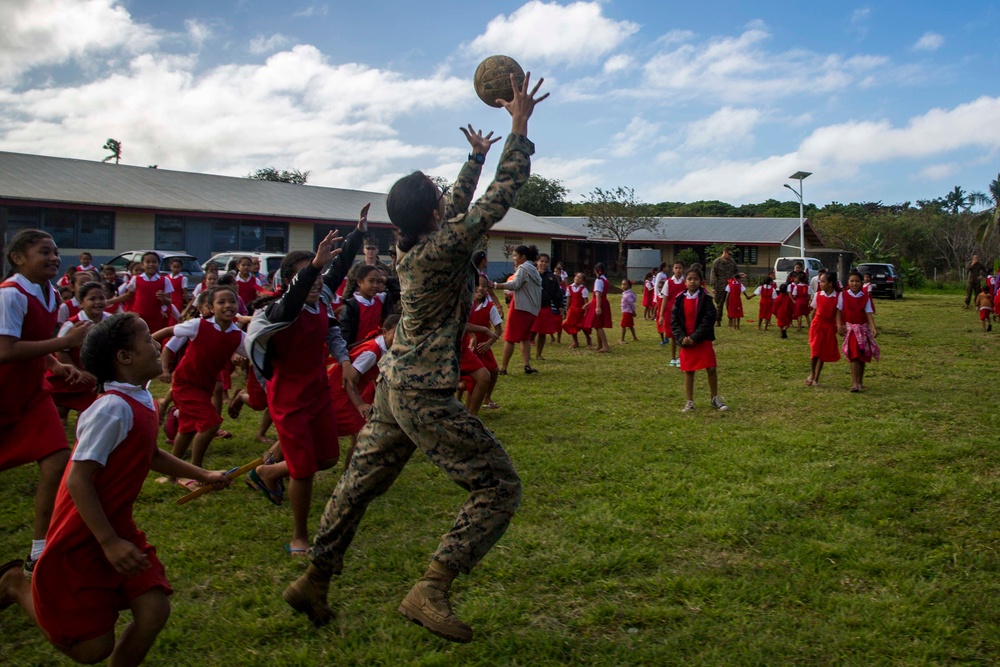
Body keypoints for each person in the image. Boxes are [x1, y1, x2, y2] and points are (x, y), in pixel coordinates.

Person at [283, 76, 544, 643]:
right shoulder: (442, 246)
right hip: (422, 395)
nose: (445, 197)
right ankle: (431, 588)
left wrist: (474, 157)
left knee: (359, 484)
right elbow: (498, 200)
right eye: (437, 194)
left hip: (396, 386)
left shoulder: (415, 240)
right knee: (499, 488)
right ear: (430, 214)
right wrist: (518, 128)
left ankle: (314, 578)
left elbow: (456, 203)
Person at [0, 312, 230, 666]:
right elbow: (78, 479)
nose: (157, 345)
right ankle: (16, 584)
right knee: (93, 650)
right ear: (124, 358)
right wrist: (108, 543)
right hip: (84, 537)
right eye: (146, 340)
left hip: (116, 527)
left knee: (154, 611)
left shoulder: (141, 400)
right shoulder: (111, 409)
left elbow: (150, 454)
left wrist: (204, 475)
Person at [244, 217, 363, 551]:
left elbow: (337, 272)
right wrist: (312, 267)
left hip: (318, 391)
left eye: (317, 273)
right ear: (289, 282)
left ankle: (268, 474)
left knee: (326, 458)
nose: (316, 279)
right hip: (289, 397)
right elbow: (295, 297)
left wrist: (358, 234)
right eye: (309, 273)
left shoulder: (320, 301)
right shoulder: (280, 311)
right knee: (304, 469)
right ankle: (299, 537)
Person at [0, 230, 91, 575]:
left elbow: (36, 340)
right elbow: (5, 350)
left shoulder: (50, 294)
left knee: (57, 461)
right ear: (18, 259)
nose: (54, 257)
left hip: (31, 395)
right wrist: (63, 342)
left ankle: (39, 550)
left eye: (55, 251)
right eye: (44, 252)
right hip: (4, 393)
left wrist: (55, 363)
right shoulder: (10, 295)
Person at [159, 285, 245, 481]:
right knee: (211, 424)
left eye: (232, 301)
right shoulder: (198, 325)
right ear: (211, 308)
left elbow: (257, 354)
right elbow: (168, 331)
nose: (228, 305)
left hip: (204, 387)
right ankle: (198, 472)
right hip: (184, 383)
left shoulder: (238, 335)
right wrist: (151, 346)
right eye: (221, 302)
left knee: (187, 429)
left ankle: (172, 474)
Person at [46, 281, 109, 421]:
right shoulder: (72, 324)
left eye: (102, 298)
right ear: (81, 303)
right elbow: (61, 351)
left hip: (94, 375)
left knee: (90, 407)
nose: (98, 302)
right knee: (60, 408)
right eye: (92, 299)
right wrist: (78, 371)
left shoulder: (111, 320)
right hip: (70, 372)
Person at [671, 267, 727, 412]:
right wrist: (682, 338)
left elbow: (708, 320)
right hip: (686, 340)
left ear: (701, 282)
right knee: (689, 371)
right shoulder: (679, 299)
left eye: (695, 279)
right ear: (685, 282)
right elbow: (674, 321)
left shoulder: (706, 299)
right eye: (689, 279)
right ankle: (689, 402)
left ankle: (715, 398)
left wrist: (695, 338)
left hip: (702, 340)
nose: (692, 282)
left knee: (711, 368)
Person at [495, 244, 542, 374]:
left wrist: (494, 285)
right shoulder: (534, 269)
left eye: (515, 256)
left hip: (520, 308)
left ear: (523, 257)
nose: (514, 258)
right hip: (532, 310)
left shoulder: (523, 268)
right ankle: (527, 365)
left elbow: (514, 285)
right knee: (525, 338)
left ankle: (503, 368)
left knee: (510, 338)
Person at [840, 270, 880, 391]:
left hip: (863, 330)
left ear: (862, 283)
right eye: (852, 281)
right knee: (854, 356)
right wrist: (839, 325)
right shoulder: (843, 295)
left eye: (857, 281)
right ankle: (854, 383)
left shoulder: (865, 297)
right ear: (848, 282)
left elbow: (868, 313)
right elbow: (838, 310)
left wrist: (873, 327)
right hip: (851, 330)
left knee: (862, 357)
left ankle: (860, 381)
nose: (854, 283)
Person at [469, 275, 503, 409]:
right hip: (468, 346)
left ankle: (487, 397)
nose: (480, 288)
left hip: (483, 346)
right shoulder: (466, 304)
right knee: (468, 379)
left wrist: (489, 343)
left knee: (494, 371)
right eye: (477, 285)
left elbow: (499, 330)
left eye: (483, 285)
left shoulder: (489, 307)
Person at [116, 252, 172, 334]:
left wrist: (163, 299)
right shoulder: (136, 279)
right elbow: (128, 296)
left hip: (156, 319)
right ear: (142, 264)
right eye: (148, 262)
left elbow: (169, 302)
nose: (151, 264)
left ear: (158, 264)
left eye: (154, 262)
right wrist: (111, 301)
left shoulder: (164, 281)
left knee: (154, 341)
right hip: (138, 317)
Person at [339, 264, 388, 347]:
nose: (375, 285)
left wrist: (386, 280)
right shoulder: (351, 306)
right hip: (357, 353)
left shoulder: (381, 299)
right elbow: (344, 336)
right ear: (359, 282)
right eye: (371, 281)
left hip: (378, 352)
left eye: (378, 281)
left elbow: (398, 289)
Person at [806, 271, 840, 386]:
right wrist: (811, 325)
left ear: (830, 283)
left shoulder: (838, 297)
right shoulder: (818, 295)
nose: (820, 283)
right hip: (817, 326)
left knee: (822, 353)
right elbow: (814, 311)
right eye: (820, 281)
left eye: (823, 281)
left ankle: (816, 377)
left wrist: (839, 326)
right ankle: (811, 373)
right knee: (815, 351)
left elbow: (838, 313)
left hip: (829, 327)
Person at [531, 253, 564, 360]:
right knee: (530, 332)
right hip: (532, 308)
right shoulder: (531, 274)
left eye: (546, 262)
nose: (543, 264)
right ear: (537, 262)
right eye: (541, 261)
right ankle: (527, 353)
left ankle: (538, 354)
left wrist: (560, 306)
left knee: (542, 332)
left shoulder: (551, 277)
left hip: (545, 307)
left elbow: (556, 293)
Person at [658, 261, 686, 365]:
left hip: (682, 312)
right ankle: (673, 357)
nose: (678, 270)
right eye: (676, 268)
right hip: (670, 312)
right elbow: (665, 299)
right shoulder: (668, 282)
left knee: (681, 334)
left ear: (683, 269)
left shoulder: (685, 282)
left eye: (680, 268)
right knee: (672, 335)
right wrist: (661, 315)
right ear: (673, 269)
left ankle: (680, 357)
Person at [581, 263, 613, 353]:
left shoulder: (598, 280)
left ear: (595, 271)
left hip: (598, 303)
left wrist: (597, 307)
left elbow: (598, 294)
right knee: (598, 324)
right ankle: (599, 345)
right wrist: (589, 304)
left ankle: (605, 345)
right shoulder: (605, 280)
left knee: (597, 325)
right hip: (602, 302)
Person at [710, 247, 738, 326]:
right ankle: (718, 320)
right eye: (729, 254)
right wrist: (713, 286)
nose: (729, 256)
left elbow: (736, 273)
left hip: (730, 286)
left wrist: (735, 281)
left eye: (730, 254)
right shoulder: (717, 262)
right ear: (724, 252)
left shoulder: (732, 262)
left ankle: (731, 319)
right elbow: (713, 275)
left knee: (730, 304)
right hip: (720, 286)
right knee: (719, 304)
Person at [562, 272, 591, 349]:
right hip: (572, 309)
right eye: (577, 276)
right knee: (571, 325)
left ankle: (588, 339)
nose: (577, 278)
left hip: (580, 310)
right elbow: (568, 299)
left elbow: (586, 301)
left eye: (580, 278)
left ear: (583, 281)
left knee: (583, 326)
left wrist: (586, 311)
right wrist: (567, 309)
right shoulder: (569, 287)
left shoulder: (583, 289)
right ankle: (575, 342)